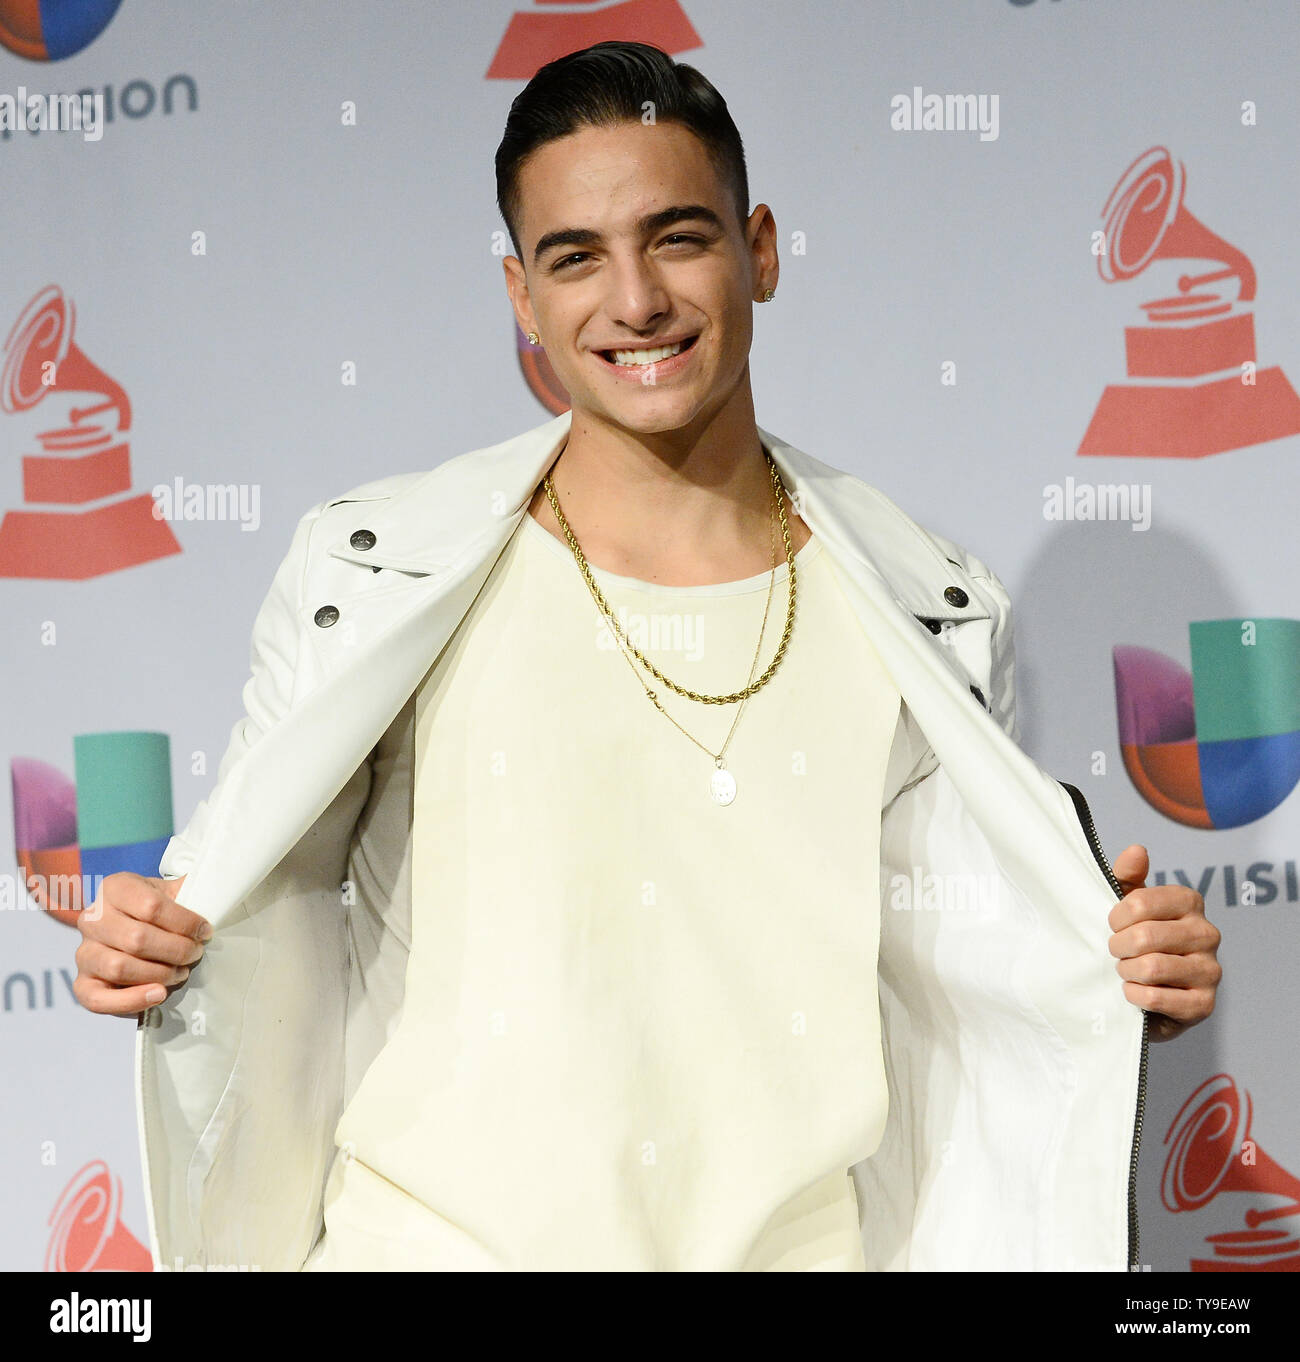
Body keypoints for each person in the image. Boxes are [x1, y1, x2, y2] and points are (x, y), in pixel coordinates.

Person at [72, 41, 1220, 1271]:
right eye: (576, 258)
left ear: (758, 249)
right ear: (523, 297)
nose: (635, 302)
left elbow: (948, 974)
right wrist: (138, 942)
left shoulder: (922, 601)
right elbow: (251, 892)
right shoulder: (375, 573)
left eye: (677, 237)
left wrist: (1107, 978)